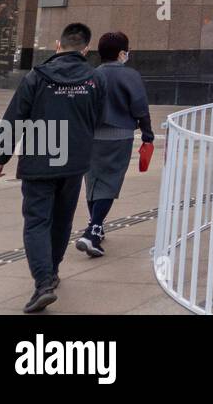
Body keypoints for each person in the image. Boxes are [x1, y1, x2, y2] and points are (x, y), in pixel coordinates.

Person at [0, 23, 103, 313]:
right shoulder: (94, 79)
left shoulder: (36, 77)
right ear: (86, 49)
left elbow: (15, 118)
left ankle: (43, 283)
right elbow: (96, 119)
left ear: (57, 45)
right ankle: (50, 271)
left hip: (40, 161)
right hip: (74, 164)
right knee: (62, 221)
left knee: (38, 222)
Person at [77, 32, 154, 259]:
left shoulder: (91, 75)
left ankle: (96, 228)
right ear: (122, 53)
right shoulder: (130, 76)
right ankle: (93, 230)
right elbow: (140, 107)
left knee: (93, 182)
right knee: (109, 183)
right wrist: (147, 135)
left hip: (91, 137)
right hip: (119, 136)